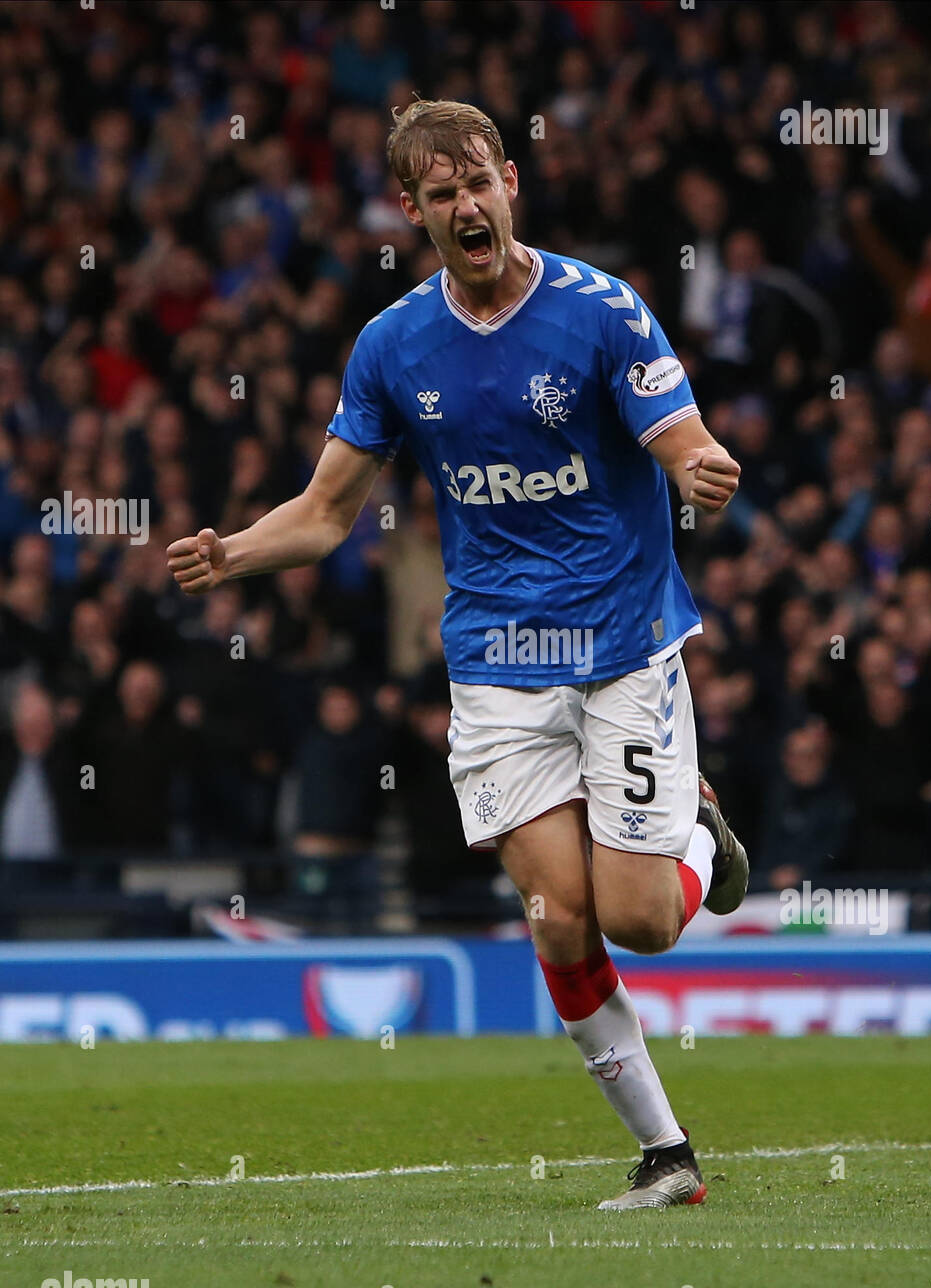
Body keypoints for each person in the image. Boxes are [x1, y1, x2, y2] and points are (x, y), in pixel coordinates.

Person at [167, 100, 749, 1211]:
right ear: (415, 211)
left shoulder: (601, 311)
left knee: (640, 919)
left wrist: (701, 470)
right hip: (495, 664)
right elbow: (329, 510)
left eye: (478, 182)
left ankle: (692, 828)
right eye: (442, 194)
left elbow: (685, 440)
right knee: (558, 917)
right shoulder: (394, 346)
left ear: (510, 182)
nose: (465, 206)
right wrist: (232, 553)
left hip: (624, 647)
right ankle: (668, 1155)